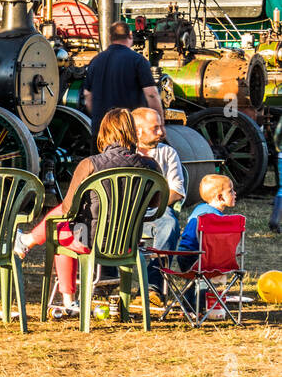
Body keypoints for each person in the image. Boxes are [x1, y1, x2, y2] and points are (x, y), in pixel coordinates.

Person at [15, 108, 160, 315]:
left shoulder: (90, 164)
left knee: (61, 230)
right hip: (128, 243)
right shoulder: (151, 166)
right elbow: (155, 204)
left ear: (104, 133)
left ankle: (69, 300)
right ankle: (27, 242)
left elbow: (67, 208)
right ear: (132, 132)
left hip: (90, 241)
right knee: (64, 226)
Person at [132, 106, 184, 301]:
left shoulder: (168, 153)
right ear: (138, 130)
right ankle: (107, 281)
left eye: (161, 126)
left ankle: (152, 286)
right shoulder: (124, 152)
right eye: (155, 128)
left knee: (169, 223)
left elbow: (177, 191)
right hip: (126, 213)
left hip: (155, 213)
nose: (162, 132)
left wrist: (153, 206)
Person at [175, 173, 239, 321]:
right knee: (203, 277)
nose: (234, 193)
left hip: (184, 254)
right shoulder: (214, 219)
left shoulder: (200, 209)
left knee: (193, 280)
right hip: (198, 255)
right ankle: (197, 308)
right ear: (219, 197)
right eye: (230, 191)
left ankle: (188, 308)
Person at [83, 21, 162, 135]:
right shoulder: (138, 60)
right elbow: (151, 94)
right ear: (130, 35)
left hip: (101, 131)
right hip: (128, 130)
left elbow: (87, 95)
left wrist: (98, 117)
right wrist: (159, 124)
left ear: (110, 37)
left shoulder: (95, 61)